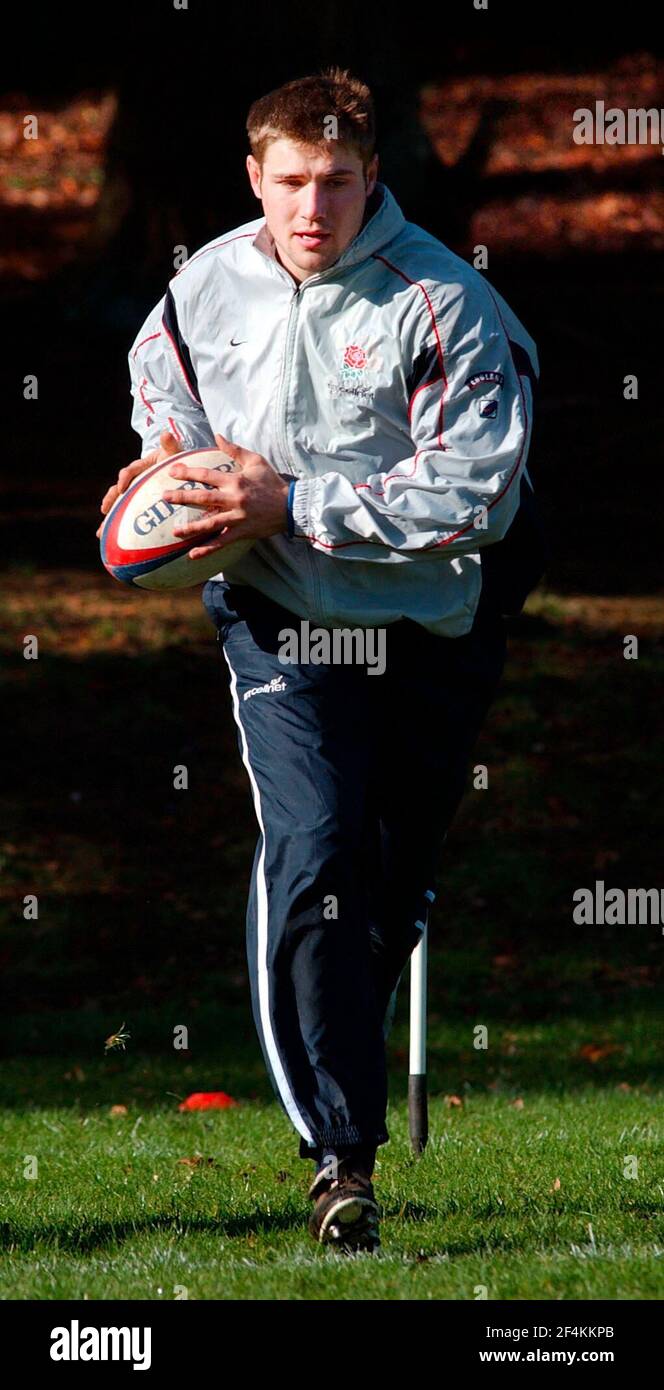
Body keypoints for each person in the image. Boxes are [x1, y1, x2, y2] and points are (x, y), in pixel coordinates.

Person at [98, 67, 543, 1253]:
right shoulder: (200, 290)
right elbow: (174, 419)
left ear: (371, 180)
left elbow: (477, 498)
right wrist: (167, 481)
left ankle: (365, 979)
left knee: (381, 881)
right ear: (254, 176)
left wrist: (287, 499)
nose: (312, 207)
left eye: (337, 182)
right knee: (313, 845)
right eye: (290, 181)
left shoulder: (447, 305)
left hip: (435, 622)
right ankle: (338, 1157)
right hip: (279, 619)